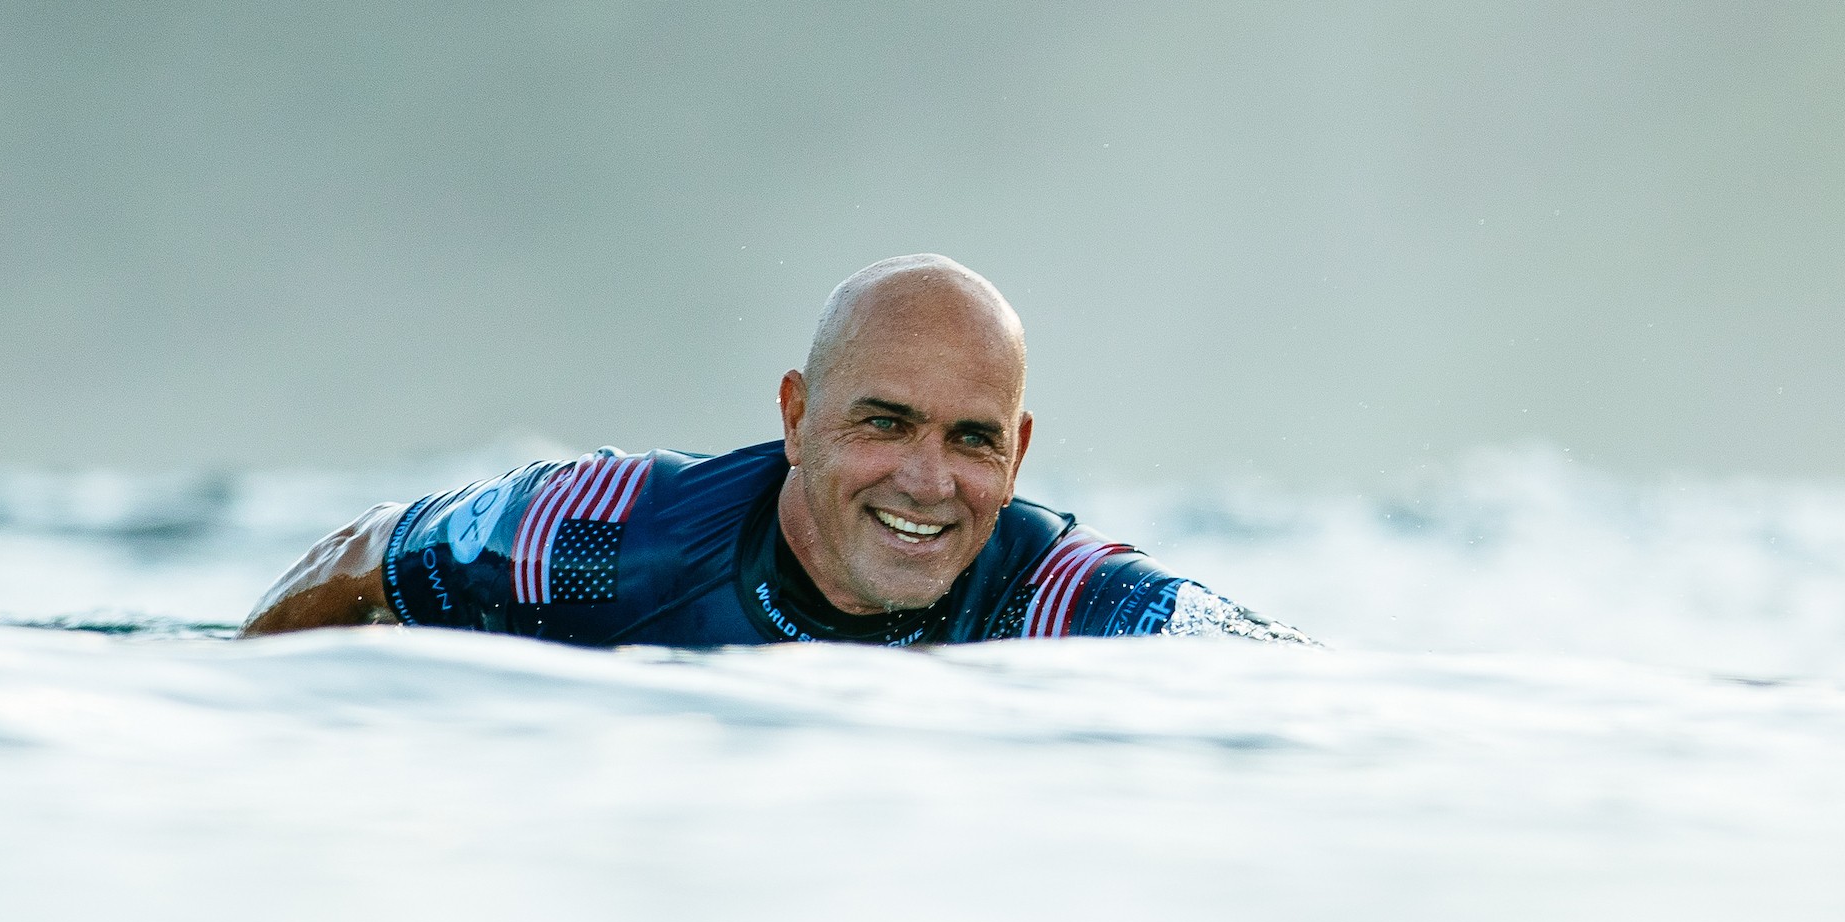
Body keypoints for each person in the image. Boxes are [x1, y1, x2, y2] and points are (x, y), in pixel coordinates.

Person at [240, 255, 1302, 646]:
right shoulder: (606, 534)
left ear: (1017, 455)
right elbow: (359, 558)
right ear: (796, 416)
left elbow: (1284, 685)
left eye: (971, 440)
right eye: (883, 423)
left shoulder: (1059, 601)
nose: (927, 483)